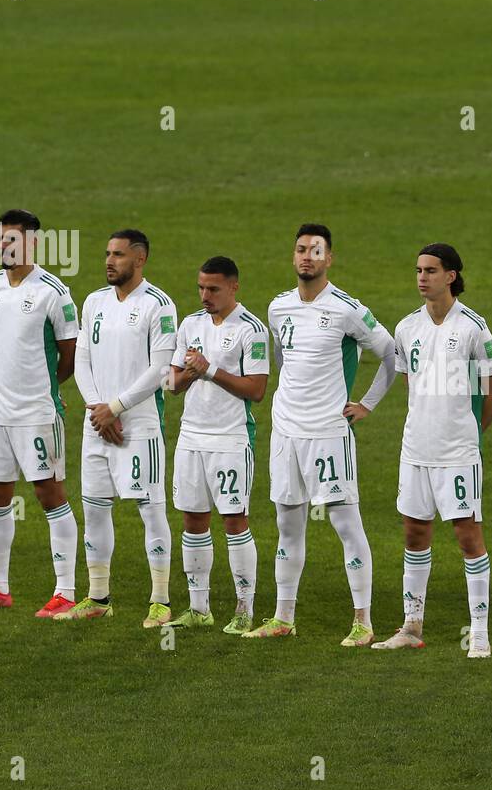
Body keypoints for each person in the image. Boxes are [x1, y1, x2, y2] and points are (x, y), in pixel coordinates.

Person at [251, 224, 397, 646]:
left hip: (328, 433)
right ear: (293, 256)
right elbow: (282, 356)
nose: (307, 257)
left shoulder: (347, 309)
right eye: (301, 250)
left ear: (329, 259)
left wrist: (366, 403)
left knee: (345, 523)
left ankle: (363, 622)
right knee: (287, 523)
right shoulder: (278, 307)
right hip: (285, 432)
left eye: (316, 251)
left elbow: (390, 352)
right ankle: (283, 617)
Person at [375, 243, 492, 657]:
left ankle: (480, 632)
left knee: (468, 537)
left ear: (451, 276)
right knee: (415, 533)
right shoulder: (406, 327)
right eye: (418, 270)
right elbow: (411, 384)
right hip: (415, 449)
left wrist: (468, 432)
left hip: (458, 453)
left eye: (430, 270)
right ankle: (412, 625)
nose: (421, 277)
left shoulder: (474, 328)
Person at [0, 209, 79, 616]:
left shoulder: (53, 292)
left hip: (36, 412)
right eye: (1, 239)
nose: (3, 247)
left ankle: (65, 591)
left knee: (49, 494)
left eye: (12, 240)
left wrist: (46, 388)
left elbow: (69, 356)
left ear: (32, 243)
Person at [58, 230, 177, 626]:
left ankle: (160, 600)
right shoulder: (94, 301)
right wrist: (98, 409)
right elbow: (81, 359)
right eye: (107, 253)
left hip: (138, 428)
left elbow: (159, 369)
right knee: (94, 509)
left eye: (119, 255)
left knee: (150, 509)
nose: (110, 261)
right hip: (98, 425)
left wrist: (116, 408)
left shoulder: (158, 306)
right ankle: (98, 596)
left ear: (139, 260)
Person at [166, 257, 269, 632]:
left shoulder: (252, 330)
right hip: (191, 435)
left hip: (230, 438)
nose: (205, 295)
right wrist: (191, 374)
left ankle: (244, 609)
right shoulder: (191, 324)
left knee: (233, 520)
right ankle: (199, 608)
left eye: (213, 289)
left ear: (233, 287)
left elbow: (256, 391)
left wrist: (208, 369)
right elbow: (173, 385)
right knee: (193, 518)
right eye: (201, 288)